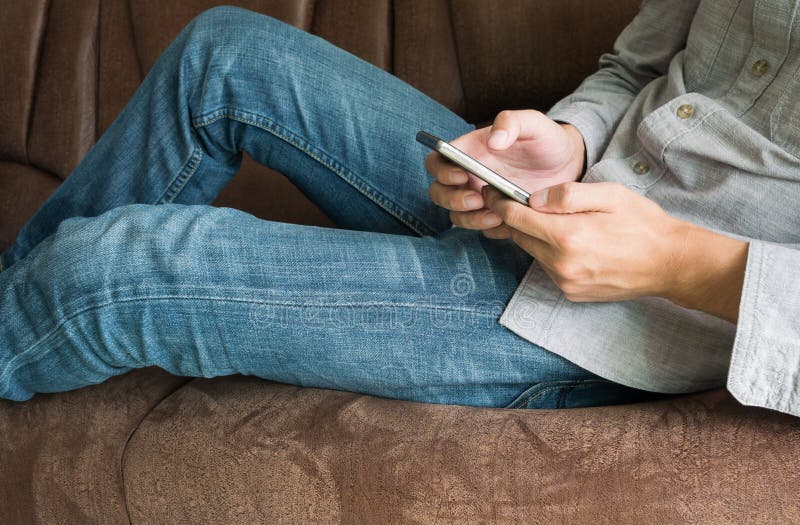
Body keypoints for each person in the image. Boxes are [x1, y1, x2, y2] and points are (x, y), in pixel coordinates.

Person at [0, 2, 796, 416]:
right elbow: (636, 68)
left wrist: (676, 261)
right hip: (556, 200)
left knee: (107, 275)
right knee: (222, 57)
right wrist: (571, 140)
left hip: (636, 325)